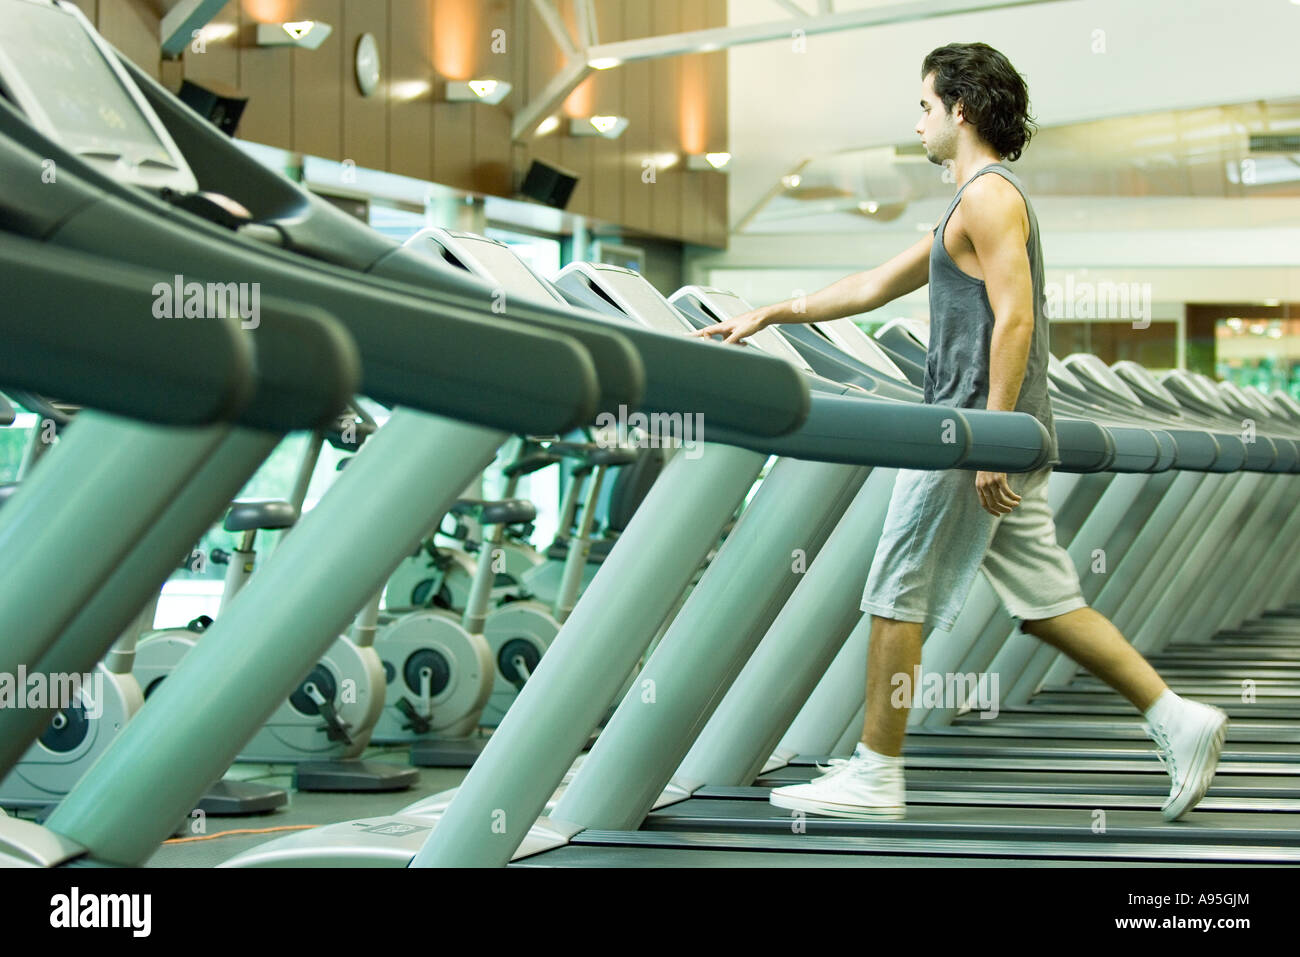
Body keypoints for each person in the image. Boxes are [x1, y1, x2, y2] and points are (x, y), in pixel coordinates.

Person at [691, 42, 1227, 822]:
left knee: (896, 587)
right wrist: (773, 311)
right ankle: (1178, 716)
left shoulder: (989, 199)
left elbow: (1016, 317)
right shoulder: (972, 202)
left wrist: (987, 435)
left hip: (965, 434)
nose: (917, 123)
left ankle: (878, 773)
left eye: (923, 107)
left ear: (961, 109)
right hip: (986, 430)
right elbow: (874, 285)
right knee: (1044, 601)